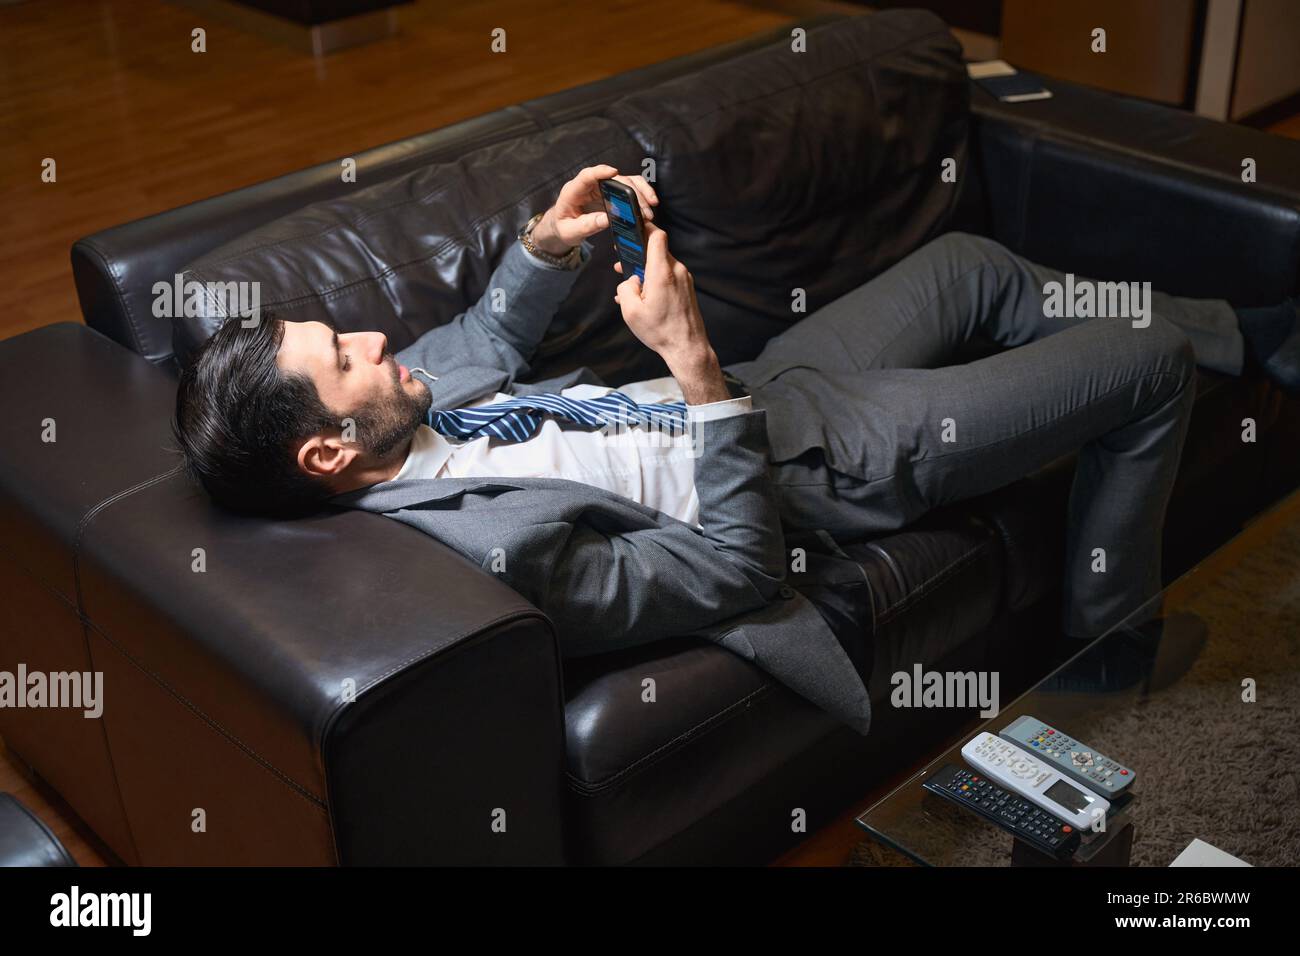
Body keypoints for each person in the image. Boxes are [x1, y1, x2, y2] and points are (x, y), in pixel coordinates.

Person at [173, 165, 1299, 729]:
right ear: (326, 454)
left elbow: (480, 338)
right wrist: (693, 362)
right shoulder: (492, 557)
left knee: (973, 265)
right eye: (345, 356)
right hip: (818, 465)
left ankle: (1250, 335)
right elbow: (737, 570)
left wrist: (548, 241)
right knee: (1148, 363)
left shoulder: (389, 418)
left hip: (765, 382)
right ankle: (1107, 651)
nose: (377, 340)